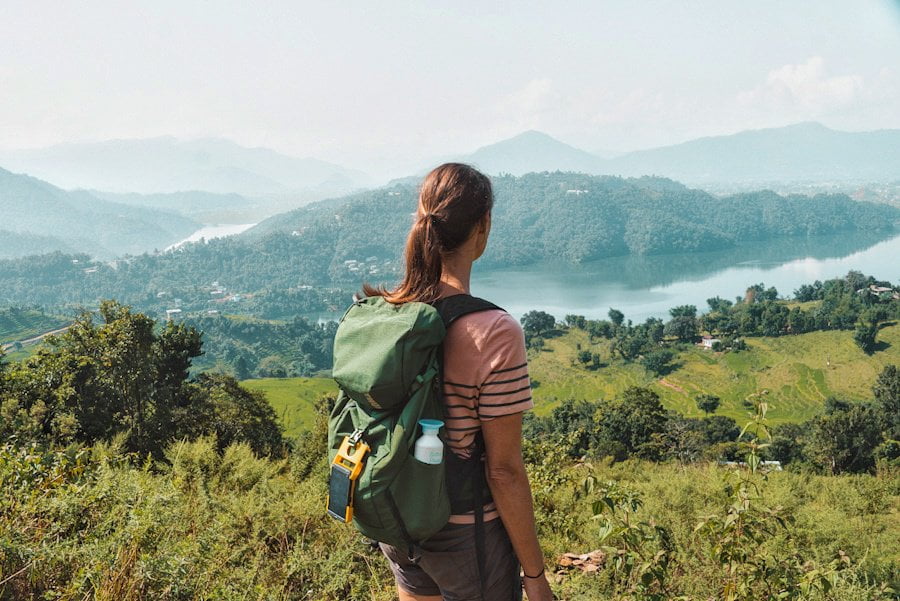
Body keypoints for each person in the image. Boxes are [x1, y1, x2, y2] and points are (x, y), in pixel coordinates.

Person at [364, 163, 553, 601]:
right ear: (483, 226)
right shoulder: (494, 331)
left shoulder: (385, 312)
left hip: (400, 521)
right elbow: (503, 471)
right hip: (465, 534)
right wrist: (535, 576)